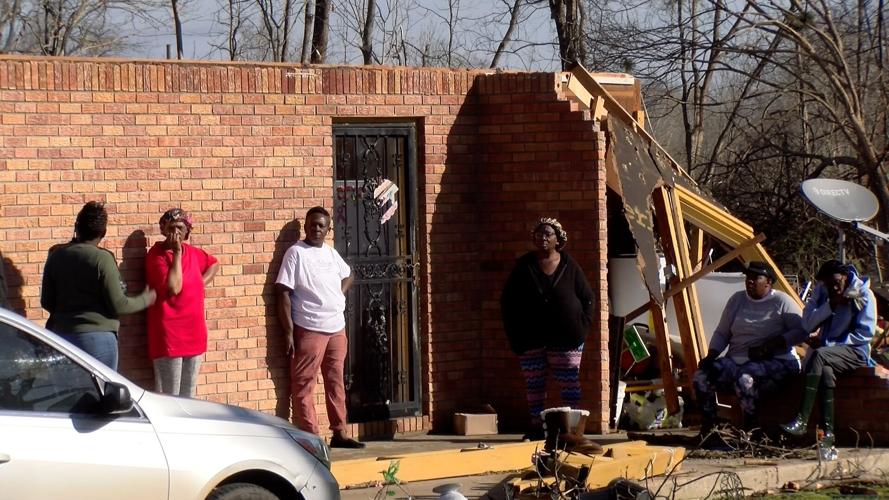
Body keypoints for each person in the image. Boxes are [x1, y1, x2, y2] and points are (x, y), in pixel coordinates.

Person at [275, 206, 364, 448]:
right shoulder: (296, 253)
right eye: (312, 224)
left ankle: (340, 432)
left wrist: (339, 292)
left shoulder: (330, 253)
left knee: (336, 381)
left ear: (328, 229)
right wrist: (289, 332)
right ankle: (311, 439)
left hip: (336, 327)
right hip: (309, 327)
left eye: (321, 226)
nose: (316, 229)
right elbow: (283, 291)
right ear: (305, 226)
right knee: (304, 383)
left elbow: (349, 274)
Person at [500, 217, 594, 441]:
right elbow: (508, 300)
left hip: (567, 337)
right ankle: (537, 428)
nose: (543, 238)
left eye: (548, 234)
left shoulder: (569, 265)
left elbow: (588, 298)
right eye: (539, 234)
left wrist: (583, 325)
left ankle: (572, 431)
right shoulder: (524, 266)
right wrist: (514, 333)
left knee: (569, 384)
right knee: (535, 386)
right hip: (531, 338)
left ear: (558, 239)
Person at [41, 201, 156, 370]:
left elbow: (47, 302)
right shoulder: (102, 259)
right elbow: (120, 305)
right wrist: (146, 299)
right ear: (103, 232)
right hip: (97, 340)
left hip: (62, 337)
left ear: (76, 226)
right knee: (101, 393)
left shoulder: (56, 256)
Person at [694, 261, 804, 432]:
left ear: (768, 282)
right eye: (748, 277)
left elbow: (801, 331)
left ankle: (751, 430)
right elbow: (722, 333)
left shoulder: (781, 301)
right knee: (701, 376)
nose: (750, 281)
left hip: (776, 361)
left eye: (756, 278)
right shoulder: (737, 300)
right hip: (737, 359)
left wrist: (770, 346)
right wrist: (711, 356)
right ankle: (710, 429)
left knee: (745, 379)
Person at [780, 260, 877, 456]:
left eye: (837, 282)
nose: (834, 287)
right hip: (828, 355)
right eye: (828, 284)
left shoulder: (863, 294)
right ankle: (828, 435)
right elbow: (807, 324)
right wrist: (830, 305)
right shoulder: (823, 291)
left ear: (845, 277)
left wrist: (829, 345)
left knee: (819, 355)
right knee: (824, 372)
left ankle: (802, 418)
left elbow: (865, 334)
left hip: (854, 350)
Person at [145, 208, 219, 397]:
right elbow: (174, 288)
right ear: (163, 230)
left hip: (194, 333)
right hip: (169, 337)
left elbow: (213, 263)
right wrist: (176, 253)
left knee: (188, 396)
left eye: (180, 228)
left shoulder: (194, 253)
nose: (176, 233)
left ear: (187, 231)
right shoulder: (156, 256)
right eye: (171, 228)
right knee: (170, 397)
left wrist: (200, 283)